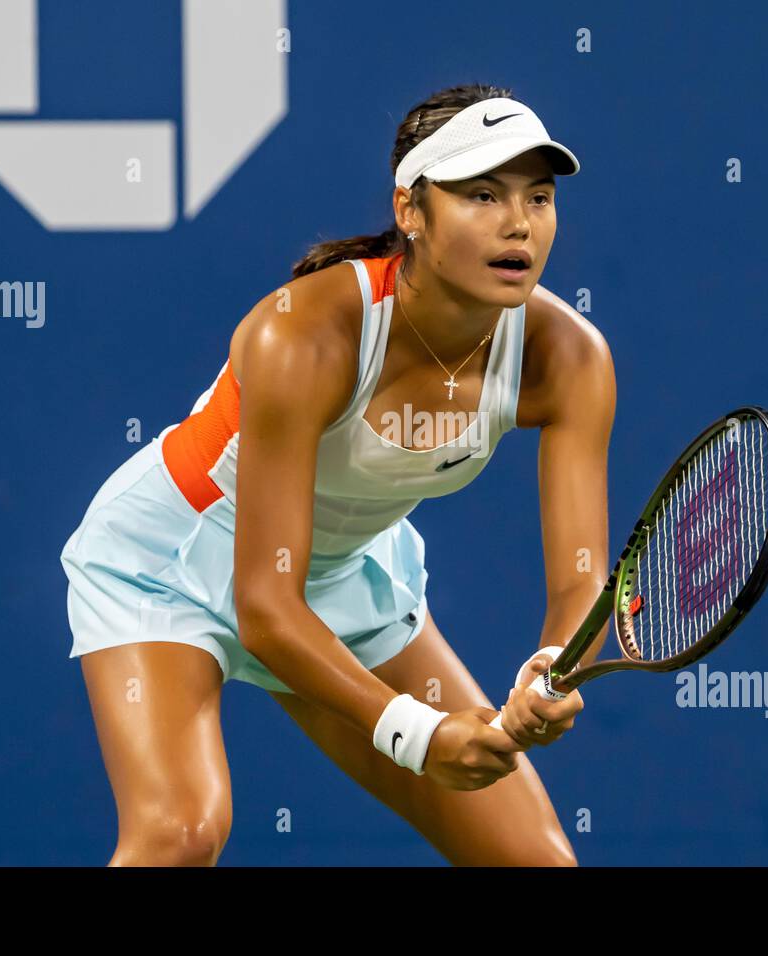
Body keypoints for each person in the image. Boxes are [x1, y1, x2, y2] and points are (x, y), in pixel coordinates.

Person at [60, 82, 616, 866]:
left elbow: (578, 583)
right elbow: (265, 609)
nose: (519, 222)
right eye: (482, 194)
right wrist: (416, 735)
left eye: (539, 195)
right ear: (411, 211)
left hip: (343, 580)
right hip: (171, 563)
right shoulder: (306, 335)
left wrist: (552, 670)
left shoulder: (569, 359)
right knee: (179, 836)